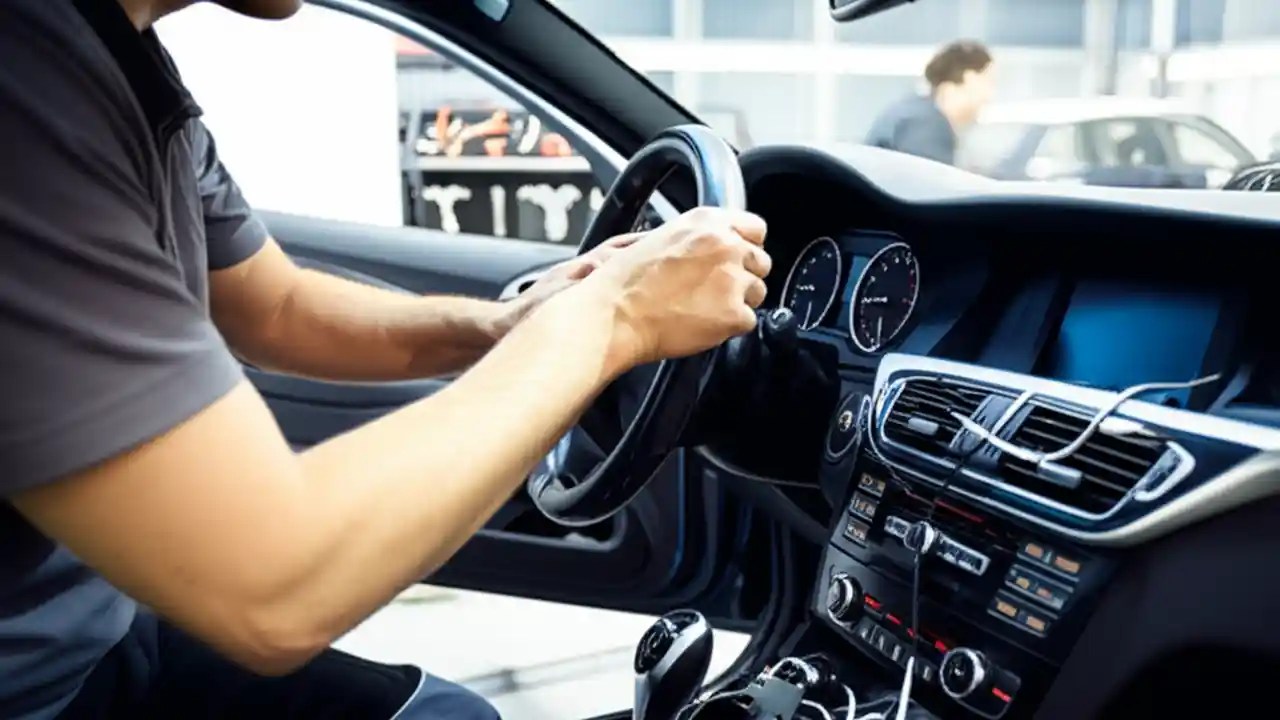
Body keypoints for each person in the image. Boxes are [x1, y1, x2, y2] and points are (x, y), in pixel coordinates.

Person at [0, 1, 772, 719]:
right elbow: (272, 586)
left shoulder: (118, 67)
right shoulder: (26, 84)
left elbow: (278, 308)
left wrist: (505, 324)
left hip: (91, 637)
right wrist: (611, 318)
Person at [865, 40, 995, 166]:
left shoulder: (913, 112)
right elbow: (929, 185)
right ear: (968, 78)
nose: (989, 95)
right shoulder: (927, 126)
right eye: (987, 82)